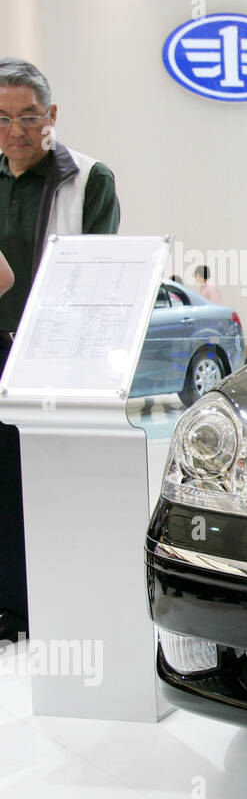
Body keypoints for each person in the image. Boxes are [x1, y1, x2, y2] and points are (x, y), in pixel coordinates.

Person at [0, 57, 120, 642]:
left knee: (54, 484)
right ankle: (10, 608)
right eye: (1, 118)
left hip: (56, 359)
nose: (16, 131)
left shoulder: (89, 179)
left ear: (52, 116)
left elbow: (102, 277)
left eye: (28, 116)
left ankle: (65, 606)